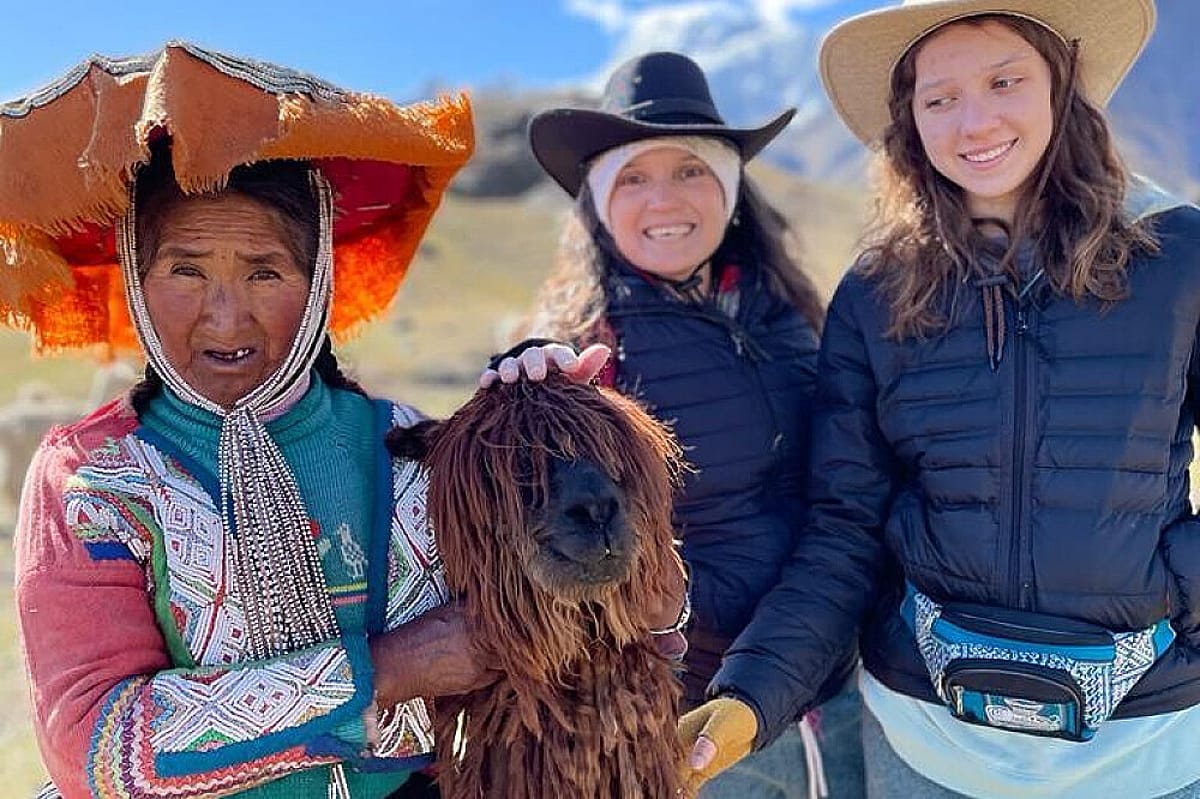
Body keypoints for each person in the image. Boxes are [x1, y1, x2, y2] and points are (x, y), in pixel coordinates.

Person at [7, 44, 605, 799]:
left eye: (265, 270)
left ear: (320, 278)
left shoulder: (411, 448)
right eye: (185, 270)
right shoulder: (91, 477)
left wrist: (559, 432)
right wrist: (387, 669)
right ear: (135, 275)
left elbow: (575, 620)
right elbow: (93, 742)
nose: (226, 315)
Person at [679, 1, 1200, 797]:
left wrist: (1184, 591)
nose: (975, 120)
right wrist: (751, 696)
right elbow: (844, 529)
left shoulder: (1177, 255)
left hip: (1150, 744)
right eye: (940, 97)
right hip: (926, 746)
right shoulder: (877, 292)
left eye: (1005, 80)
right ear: (909, 119)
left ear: (1061, 86)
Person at [523, 51, 864, 799]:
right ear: (600, 204)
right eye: (634, 177)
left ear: (730, 189)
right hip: (696, 718)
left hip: (842, 686)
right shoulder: (579, 357)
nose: (664, 199)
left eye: (690, 170)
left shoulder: (786, 314)